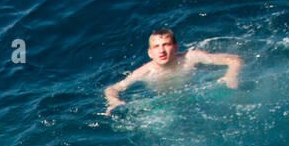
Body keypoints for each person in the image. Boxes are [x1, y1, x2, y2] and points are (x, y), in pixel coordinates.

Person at [104, 29, 243, 114]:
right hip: (164, 104)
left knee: (236, 98)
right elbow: (112, 89)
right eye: (156, 46)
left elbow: (235, 59)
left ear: (175, 47)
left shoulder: (190, 58)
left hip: (197, 95)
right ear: (150, 53)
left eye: (166, 45)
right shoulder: (144, 72)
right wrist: (114, 101)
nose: (161, 50)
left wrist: (231, 75)